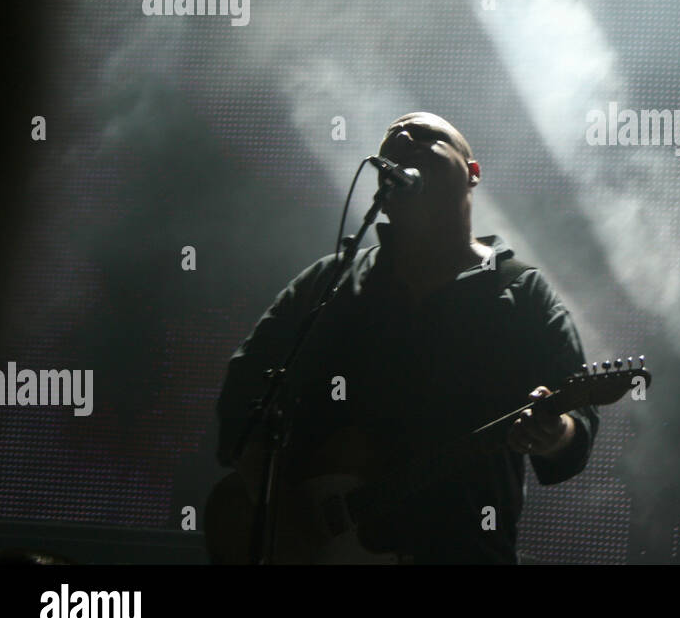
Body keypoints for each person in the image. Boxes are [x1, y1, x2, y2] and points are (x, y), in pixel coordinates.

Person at [213, 112, 598, 563]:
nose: (405, 138)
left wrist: (554, 432)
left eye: (428, 137)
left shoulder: (522, 292)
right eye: (393, 142)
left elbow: (577, 422)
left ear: (473, 173)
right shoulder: (332, 282)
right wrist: (279, 503)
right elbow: (245, 388)